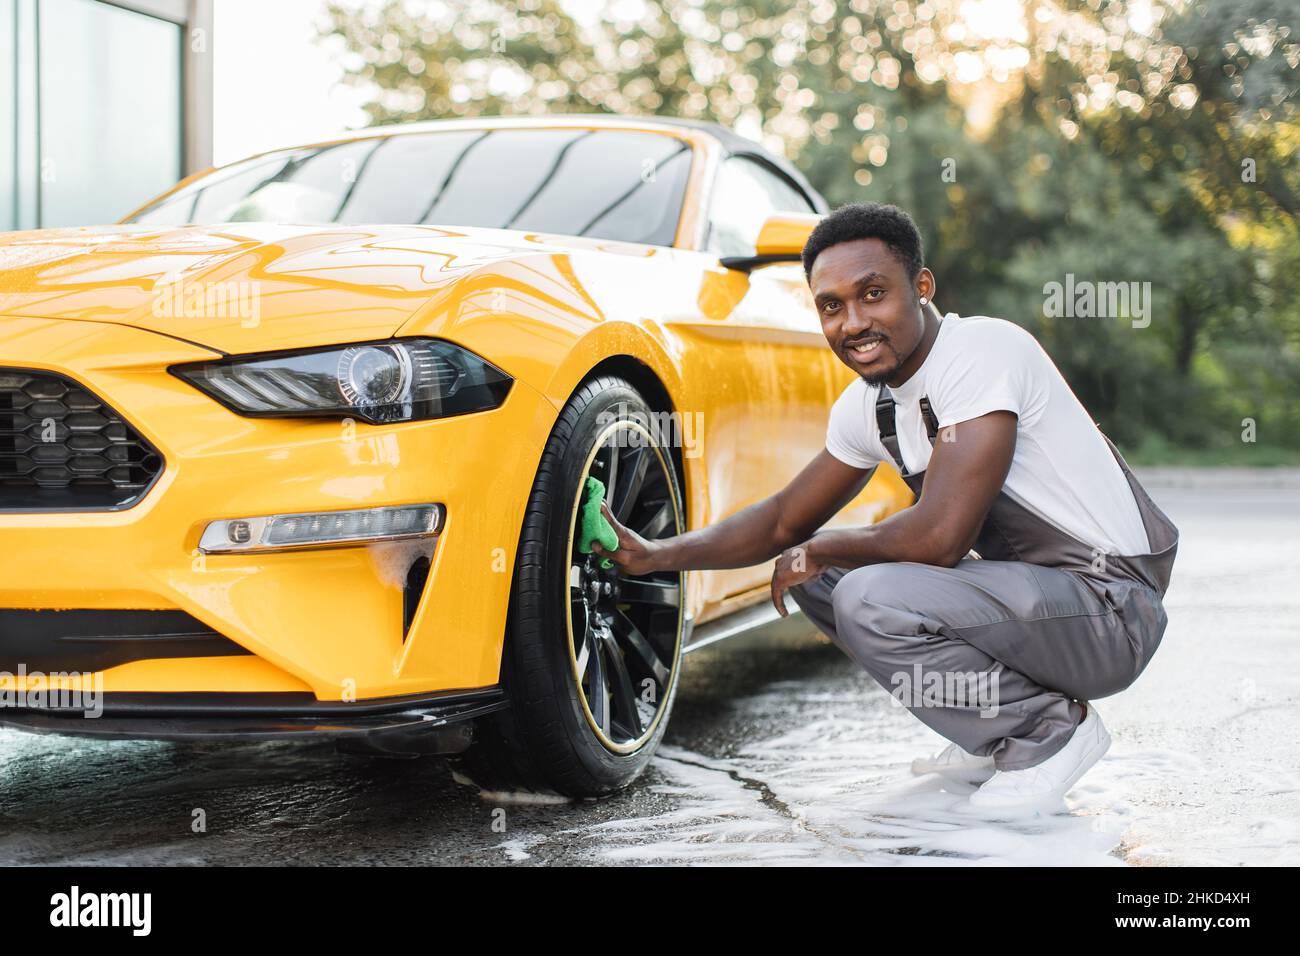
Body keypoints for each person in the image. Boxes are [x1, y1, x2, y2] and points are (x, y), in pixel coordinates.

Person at [593, 201, 1179, 814]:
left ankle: (1048, 735)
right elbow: (782, 520)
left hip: (1111, 611)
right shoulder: (870, 406)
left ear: (922, 287)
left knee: (860, 591)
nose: (854, 322)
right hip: (1042, 603)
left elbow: (940, 538)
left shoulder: (982, 350)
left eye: (873, 293)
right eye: (831, 305)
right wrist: (657, 554)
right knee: (825, 581)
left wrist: (818, 547)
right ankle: (994, 728)